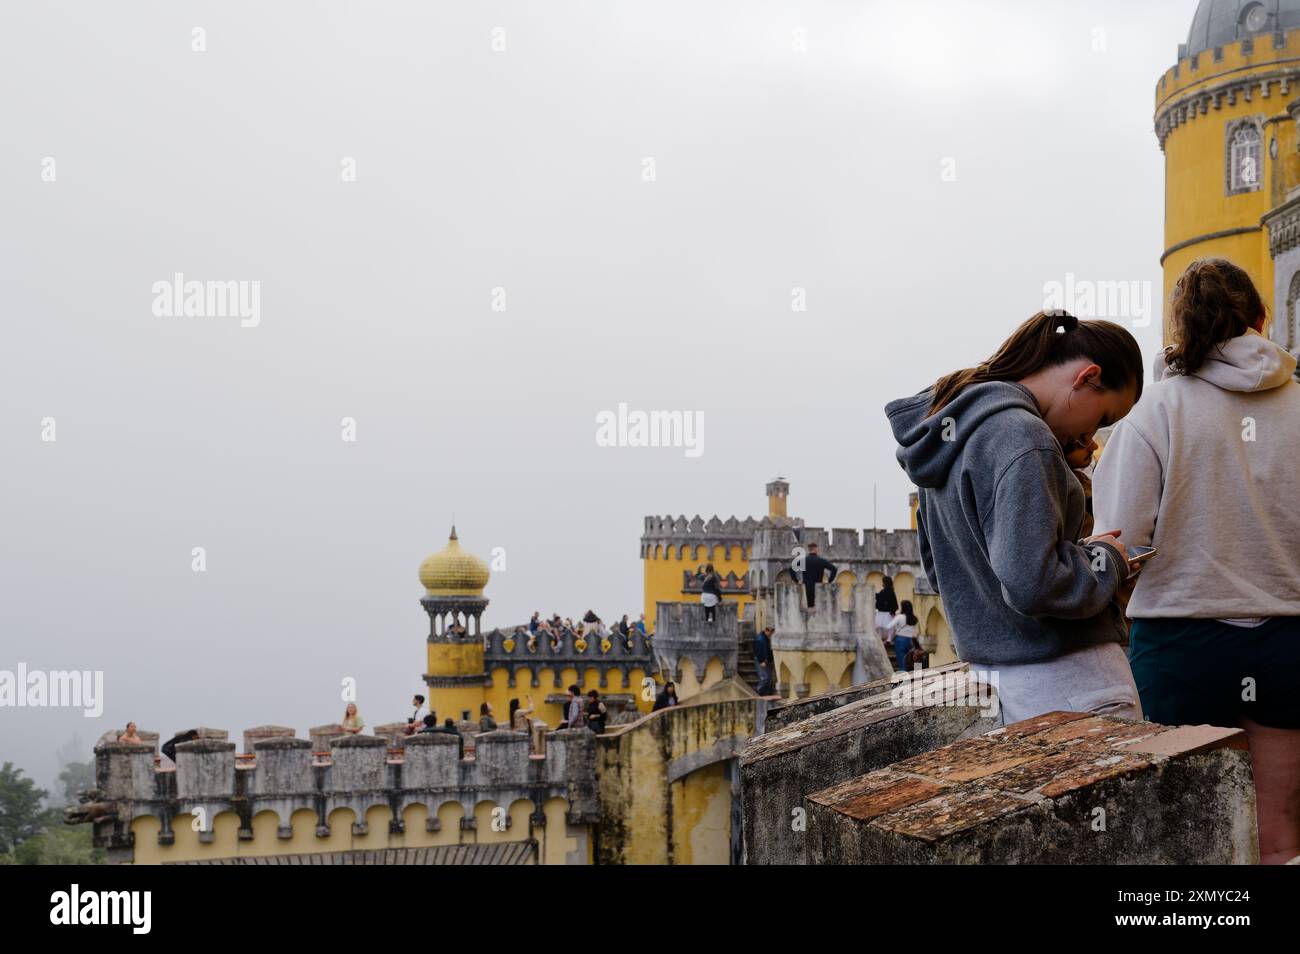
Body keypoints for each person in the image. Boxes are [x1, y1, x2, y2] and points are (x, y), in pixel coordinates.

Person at [1094, 258, 1300, 865]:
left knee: (1180, 834)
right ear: (1260, 317)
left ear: (1180, 326)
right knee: (1282, 831)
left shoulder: (1155, 411)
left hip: (1181, 640)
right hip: (1288, 636)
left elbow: (1121, 536)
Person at [885, 309, 1146, 725]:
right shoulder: (1024, 437)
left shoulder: (948, 429)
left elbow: (942, 571)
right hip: (1071, 681)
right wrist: (1106, 559)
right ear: (1086, 377)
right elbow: (1032, 584)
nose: (1092, 440)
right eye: (1103, 417)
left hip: (998, 682)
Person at [796, 542, 838, 609]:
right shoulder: (822, 561)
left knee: (807, 611)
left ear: (809, 549)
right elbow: (834, 569)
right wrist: (829, 581)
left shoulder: (803, 561)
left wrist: (796, 580)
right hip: (818, 588)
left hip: (806, 589)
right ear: (816, 549)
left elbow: (791, 570)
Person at [885, 600, 920, 671]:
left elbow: (888, 626)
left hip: (900, 640)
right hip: (911, 641)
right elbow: (916, 631)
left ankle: (904, 676)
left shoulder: (900, 617)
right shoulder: (914, 618)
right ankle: (916, 675)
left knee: (902, 661)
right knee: (913, 659)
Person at [874, 576, 899, 643]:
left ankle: (884, 638)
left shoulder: (886, 591)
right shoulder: (889, 591)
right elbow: (894, 603)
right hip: (886, 612)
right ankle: (888, 638)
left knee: (880, 626)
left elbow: (880, 598)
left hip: (885, 612)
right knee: (886, 626)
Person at [753, 625, 776, 695]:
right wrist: (761, 661)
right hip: (761, 661)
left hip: (766, 661)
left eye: (772, 632)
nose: (771, 634)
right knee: (764, 678)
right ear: (766, 631)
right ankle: (760, 692)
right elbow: (757, 651)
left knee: (768, 678)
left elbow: (768, 650)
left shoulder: (765, 638)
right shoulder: (760, 639)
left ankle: (766, 693)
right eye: (770, 632)